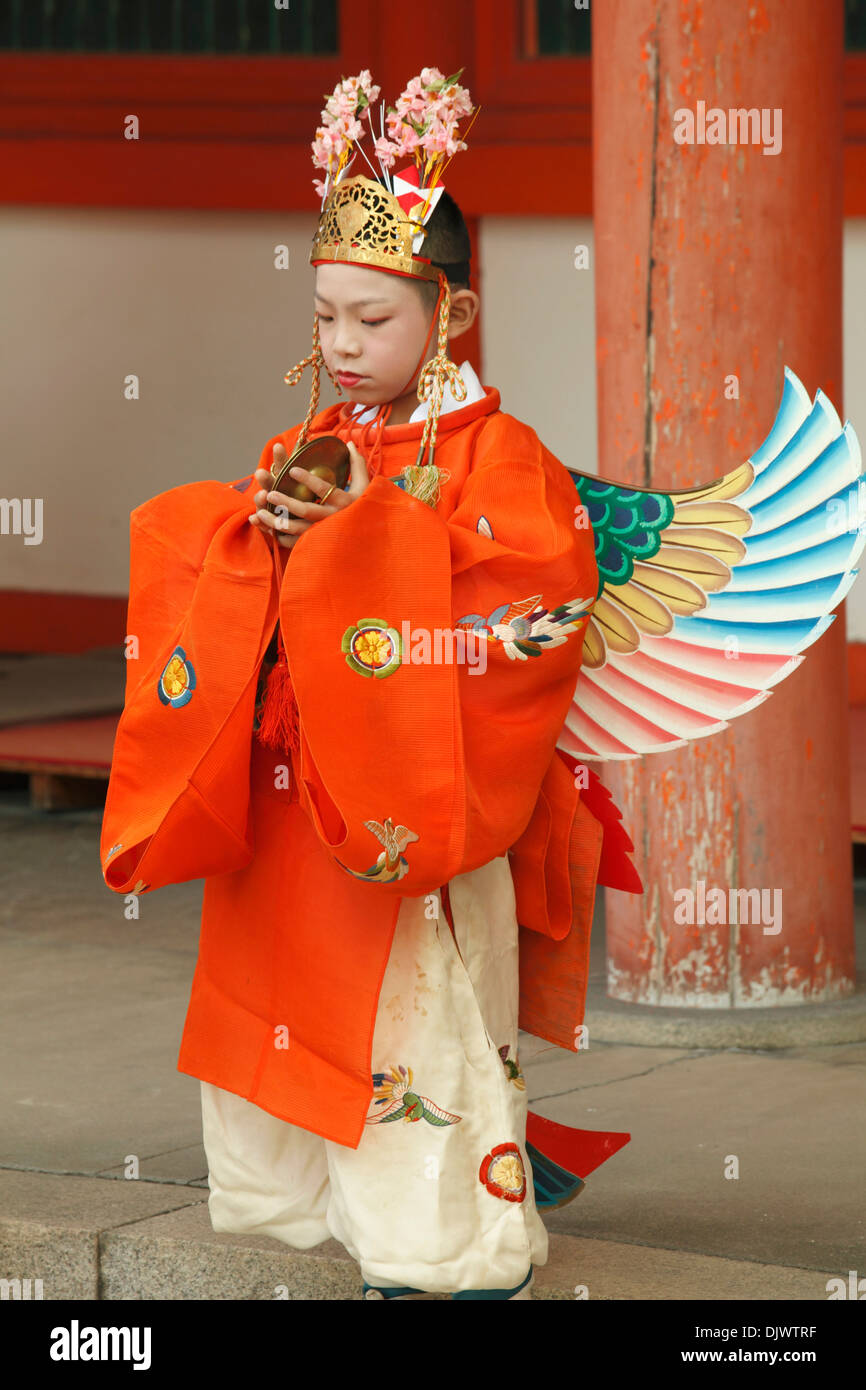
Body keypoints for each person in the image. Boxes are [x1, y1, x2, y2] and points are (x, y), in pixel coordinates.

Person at [100, 67, 605, 1300]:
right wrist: (256, 541)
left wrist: (362, 543)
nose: (339, 344)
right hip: (296, 807)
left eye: (372, 320)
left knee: (413, 1020)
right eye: (325, 316)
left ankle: (442, 1248)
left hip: (405, 810)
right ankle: (332, 1209)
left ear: (455, 308)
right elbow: (247, 605)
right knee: (292, 1003)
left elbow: (533, 613)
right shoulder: (303, 441)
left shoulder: (505, 458)